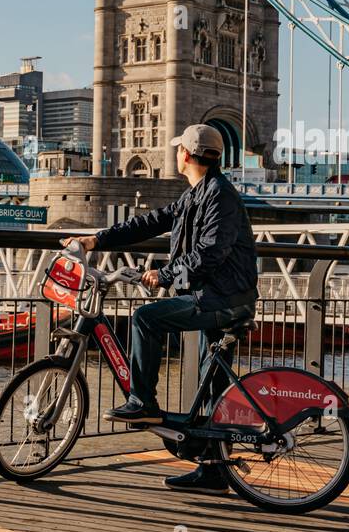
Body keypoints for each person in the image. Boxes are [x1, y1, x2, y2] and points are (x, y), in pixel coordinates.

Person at [63, 123, 258, 494]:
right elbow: (150, 222)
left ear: (185, 154)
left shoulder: (219, 196)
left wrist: (165, 274)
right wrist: (96, 240)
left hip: (222, 299)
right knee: (212, 381)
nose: (176, 154)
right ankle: (215, 471)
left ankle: (142, 402)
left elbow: (210, 253)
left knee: (145, 318)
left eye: (177, 150)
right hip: (219, 294)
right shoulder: (197, 194)